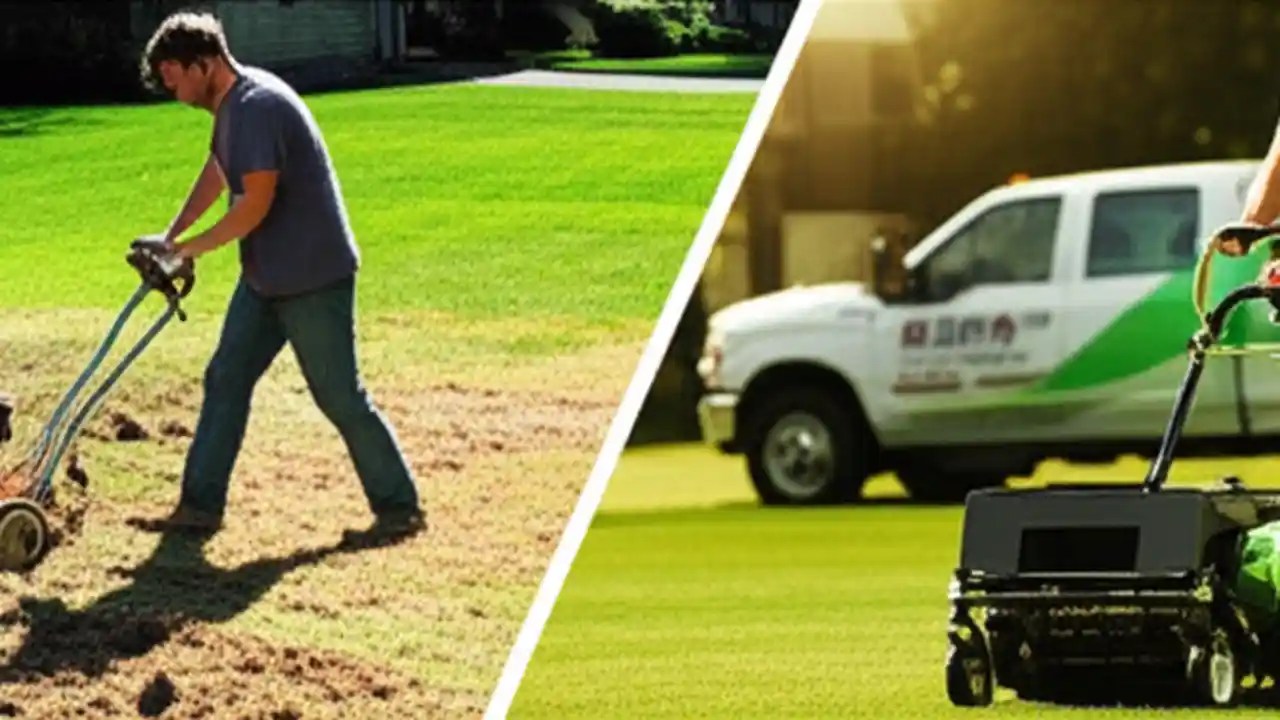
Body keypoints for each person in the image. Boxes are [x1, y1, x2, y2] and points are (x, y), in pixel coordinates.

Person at [136, 11, 425, 540]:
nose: (172, 92)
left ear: (205, 62)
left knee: (339, 396)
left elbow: (253, 206)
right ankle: (199, 507)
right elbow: (220, 171)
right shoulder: (232, 109)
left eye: (175, 77)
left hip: (313, 278)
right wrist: (172, 236)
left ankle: (399, 508)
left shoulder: (258, 107)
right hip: (267, 280)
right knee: (225, 379)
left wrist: (191, 252)